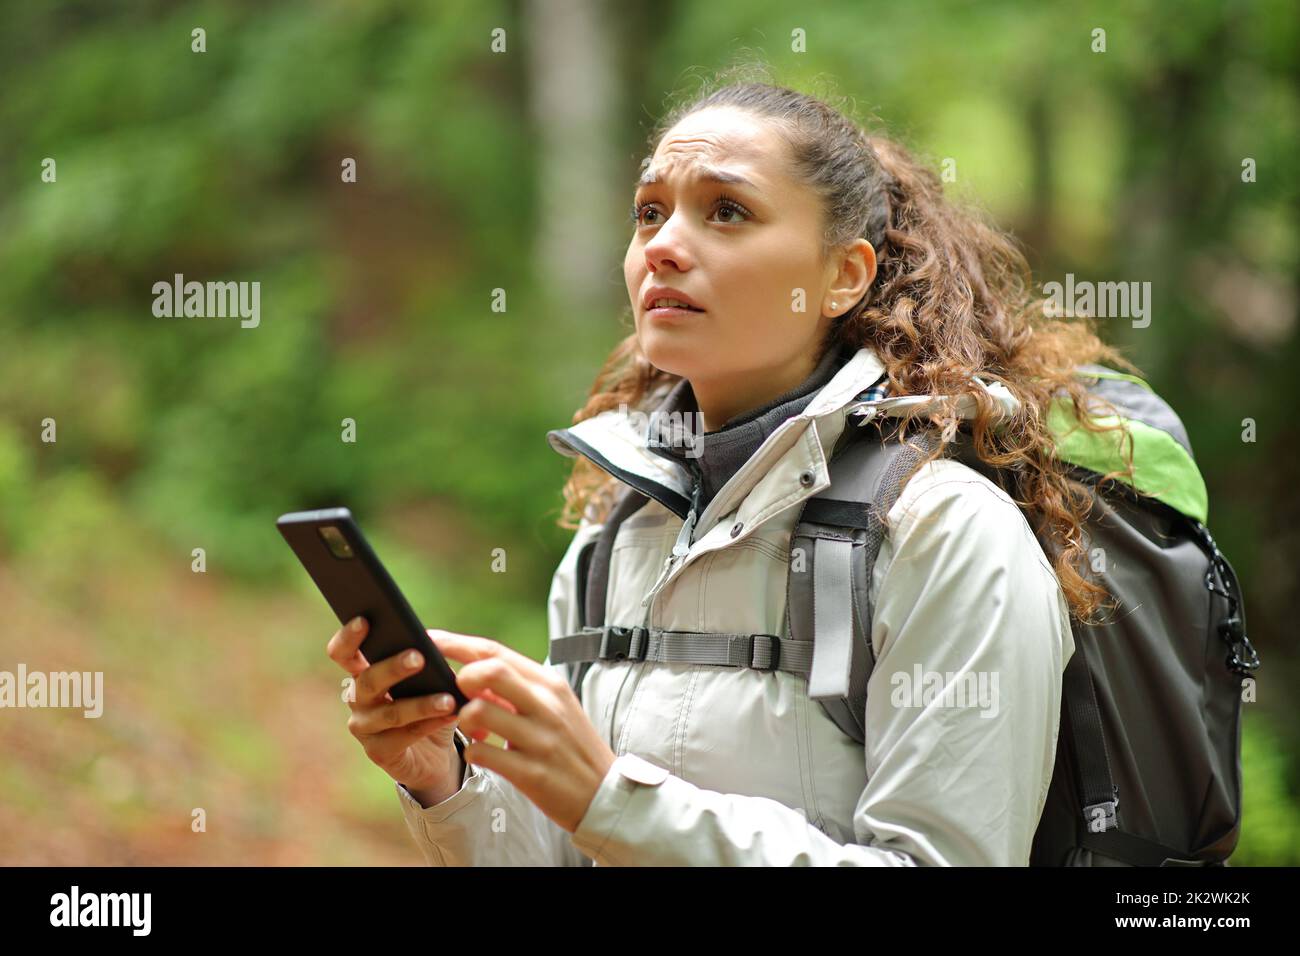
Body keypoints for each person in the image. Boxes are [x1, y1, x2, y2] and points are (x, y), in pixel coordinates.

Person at [327, 76, 1137, 866]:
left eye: (727, 211)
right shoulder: (622, 524)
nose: (665, 246)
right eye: (650, 213)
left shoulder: (945, 534)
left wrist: (613, 800)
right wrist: (448, 783)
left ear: (844, 276)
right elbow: (574, 847)